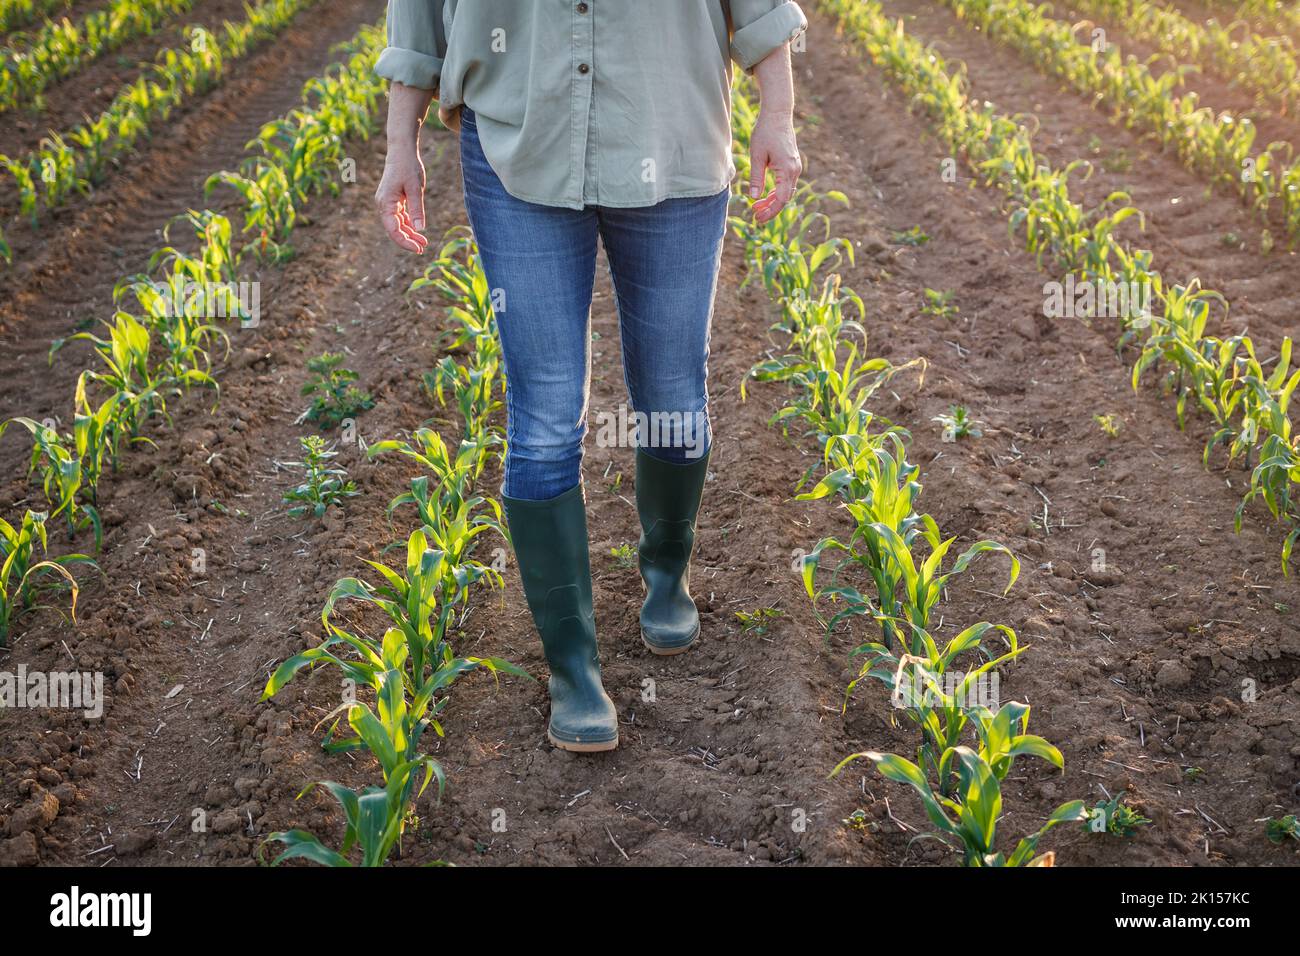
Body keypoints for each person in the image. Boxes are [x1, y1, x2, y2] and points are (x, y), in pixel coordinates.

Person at [374, 0, 806, 752]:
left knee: (673, 391)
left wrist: (779, 111)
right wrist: (398, 145)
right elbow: (417, 14)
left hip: (672, 129)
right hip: (518, 139)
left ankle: (666, 575)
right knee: (542, 416)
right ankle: (573, 669)